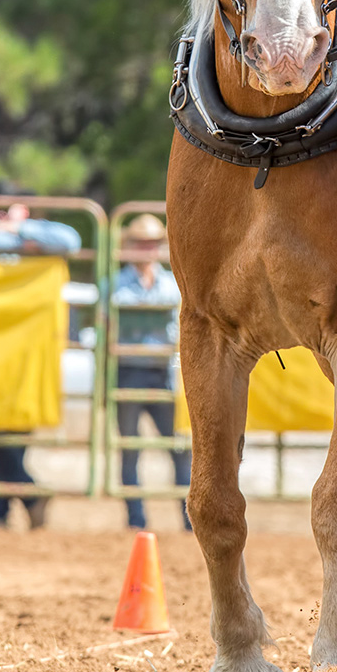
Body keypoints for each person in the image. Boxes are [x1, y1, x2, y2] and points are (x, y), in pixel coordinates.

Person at [0, 181, 75, 529]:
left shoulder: (32, 230)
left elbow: (70, 240)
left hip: (26, 345)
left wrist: (17, 229)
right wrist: (20, 234)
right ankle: (28, 496)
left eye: (7, 208)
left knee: (15, 428)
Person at [111, 213, 191, 530]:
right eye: (140, 243)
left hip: (163, 372)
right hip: (128, 371)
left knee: (180, 448)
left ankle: (188, 519)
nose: (147, 249)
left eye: (152, 243)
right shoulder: (118, 284)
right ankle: (136, 519)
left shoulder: (170, 284)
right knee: (131, 450)